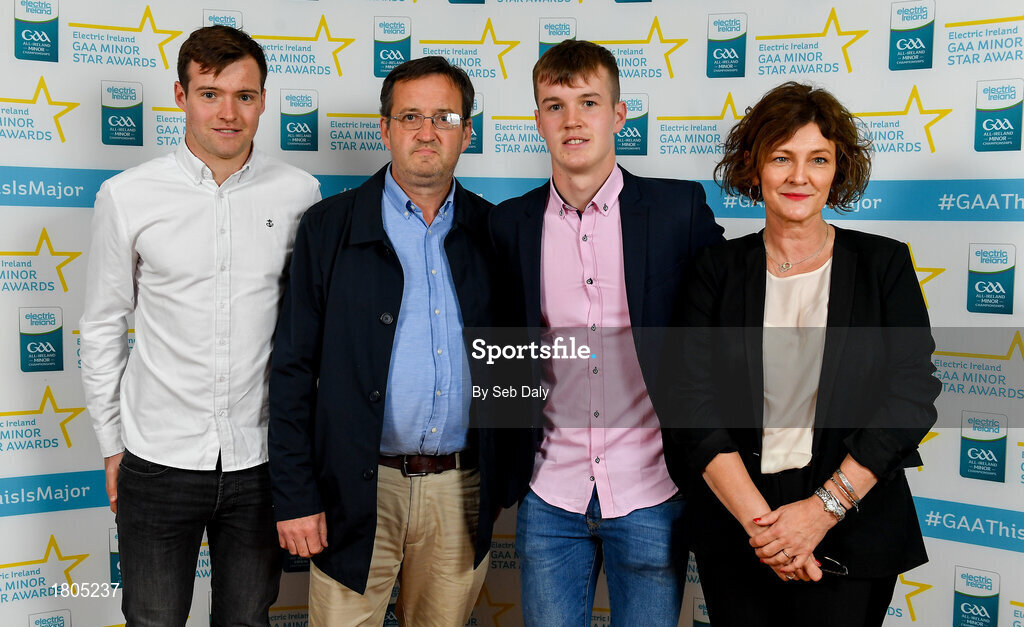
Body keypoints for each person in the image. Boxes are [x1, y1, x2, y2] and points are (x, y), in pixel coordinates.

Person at [661, 82, 941, 626]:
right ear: (753, 165)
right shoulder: (714, 271)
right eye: (781, 157)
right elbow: (690, 404)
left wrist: (819, 513)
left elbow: (912, 396)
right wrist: (768, 531)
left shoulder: (884, 265)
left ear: (838, 169)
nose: (799, 177)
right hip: (741, 532)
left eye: (818, 159)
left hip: (853, 532)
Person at [79, 25, 321, 626]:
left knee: (246, 621)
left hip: (260, 462)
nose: (228, 112)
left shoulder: (300, 194)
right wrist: (112, 445)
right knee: (154, 621)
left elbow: (308, 336)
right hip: (157, 459)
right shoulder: (127, 196)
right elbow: (104, 325)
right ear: (181, 96)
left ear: (264, 100)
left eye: (244, 95)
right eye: (210, 93)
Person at [489, 40, 723, 626]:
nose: (572, 120)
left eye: (589, 102)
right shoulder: (508, 224)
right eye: (555, 104)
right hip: (549, 495)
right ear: (536, 118)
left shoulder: (679, 210)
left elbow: (726, 330)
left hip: (652, 490)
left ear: (619, 115)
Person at [269, 56, 505, 627]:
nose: (427, 132)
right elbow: (292, 370)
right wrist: (297, 495)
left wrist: (509, 472)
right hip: (355, 486)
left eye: (444, 118)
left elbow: (518, 363)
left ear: (467, 133)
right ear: (385, 128)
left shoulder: (497, 232)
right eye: (410, 117)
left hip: (461, 490)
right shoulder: (330, 226)